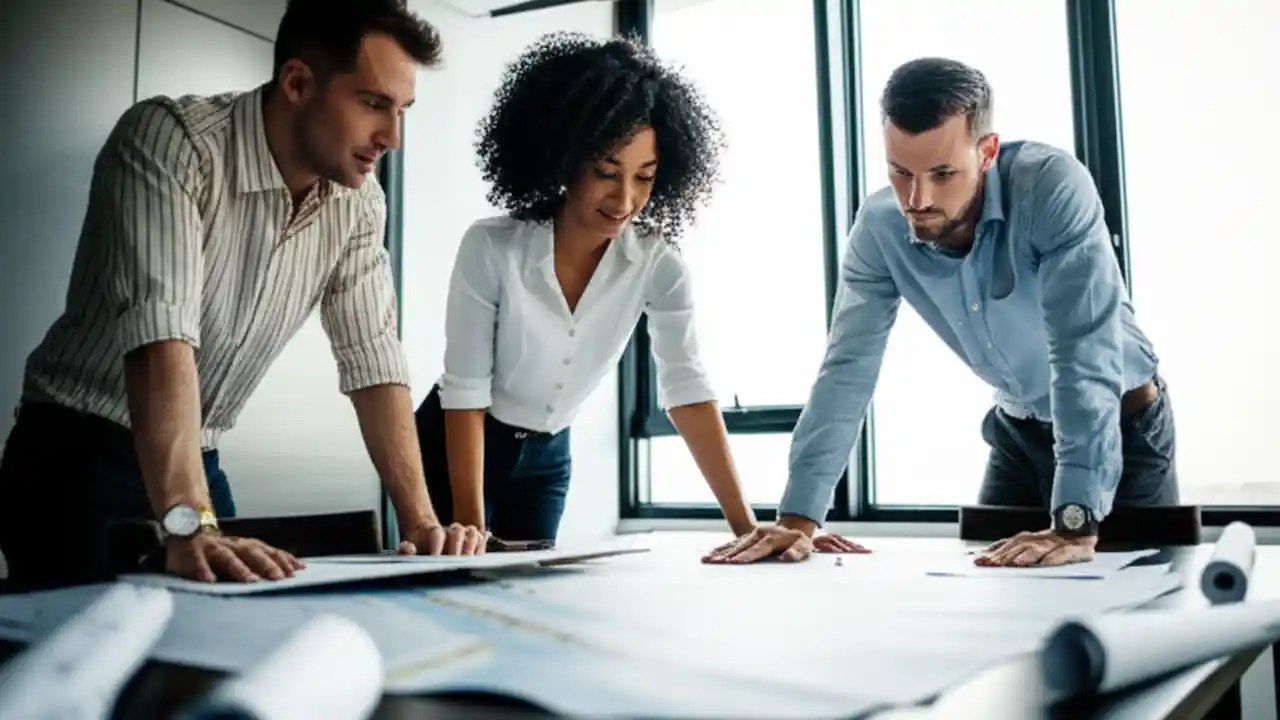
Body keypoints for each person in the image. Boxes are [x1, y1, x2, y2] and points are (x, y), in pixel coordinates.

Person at [0, 0, 485, 592]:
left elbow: (374, 359)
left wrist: (423, 526)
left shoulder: (360, 202)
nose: (393, 137)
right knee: (80, 660)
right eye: (373, 103)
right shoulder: (172, 142)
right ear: (299, 82)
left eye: (403, 110)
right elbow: (161, 338)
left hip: (198, 458)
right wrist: (190, 527)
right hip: (77, 455)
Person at [705, 57, 1176, 567]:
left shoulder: (1051, 188)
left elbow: (1082, 347)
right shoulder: (880, 229)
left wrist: (1075, 519)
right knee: (995, 597)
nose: (917, 199)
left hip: (1121, 428)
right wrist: (798, 518)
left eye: (943, 173)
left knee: (1135, 615)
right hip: (1017, 432)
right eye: (899, 172)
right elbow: (847, 369)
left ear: (988, 151)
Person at [413, 32, 757, 543]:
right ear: (565, 158)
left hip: (550, 457)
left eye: (644, 177)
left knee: (529, 600)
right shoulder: (491, 247)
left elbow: (686, 389)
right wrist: (470, 527)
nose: (625, 198)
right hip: (457, 444)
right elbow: (465, 392)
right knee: (453, 588)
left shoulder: (658, 266)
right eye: (606, 172)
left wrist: (745, 529)